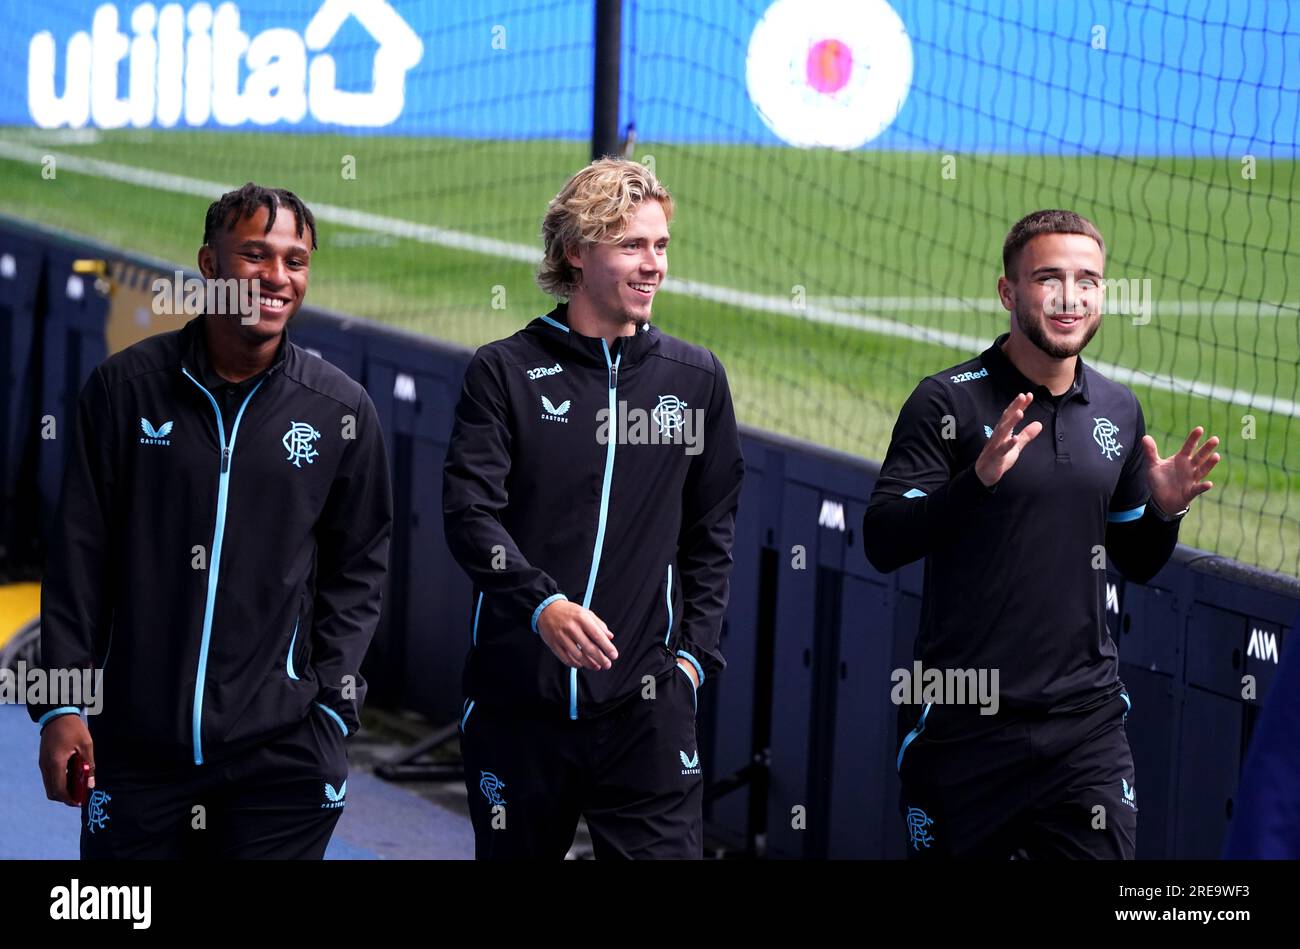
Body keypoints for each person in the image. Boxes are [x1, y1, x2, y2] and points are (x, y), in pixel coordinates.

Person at [32, 183, 393, 859]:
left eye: (296, 260)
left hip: (281, 758)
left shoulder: (339, 410)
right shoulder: (123, 389)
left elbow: (359, 570)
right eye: (256, 255)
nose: (278, 278)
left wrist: (330, 712)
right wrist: (61, 705)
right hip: (136, 754)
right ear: (209, 263)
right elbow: (79, 558)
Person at [864, 209, 1220, 859]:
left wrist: (1163, 511)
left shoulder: (1118, 409)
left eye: (1088, 279)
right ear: (1008, 292)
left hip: (1085, 732)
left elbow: (1136, 559)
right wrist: (975, 481)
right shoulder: (946, 402)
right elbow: (884, 539)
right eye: (1048, 277)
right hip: (962, 731)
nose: (1069, 296)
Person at [443, 158, 745, 859]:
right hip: (519, 706)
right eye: (632, 245)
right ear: (576, 251)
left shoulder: (694, 380)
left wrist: (692, 662)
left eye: (661, 245)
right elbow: (468, 515)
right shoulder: (505, 371)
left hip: (647, 713)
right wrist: (542, 606)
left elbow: (711, 531)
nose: (654, 265)